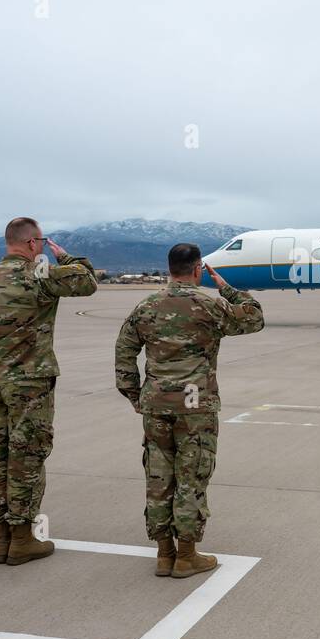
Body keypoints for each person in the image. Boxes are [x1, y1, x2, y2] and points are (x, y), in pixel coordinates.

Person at [0, 218, 97, 565]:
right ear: (33, 244)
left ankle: (1, 538)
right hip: (29, 383)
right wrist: (68, 256)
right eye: (42, 243)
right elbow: (87, 281)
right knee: (26, 458)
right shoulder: (39, 276)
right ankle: (21, 538)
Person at [115, 243, 264, 579]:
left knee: (158, 478)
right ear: (198, 269)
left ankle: (164, 554)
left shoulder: (146, 305)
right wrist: (225, 286)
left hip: (155, 404)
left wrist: (134, 394)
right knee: (191, 477)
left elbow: (124, 350)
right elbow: (254, 317)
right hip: (195, 405)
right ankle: (186, 556)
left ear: (169, 268)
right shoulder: (210, 303)